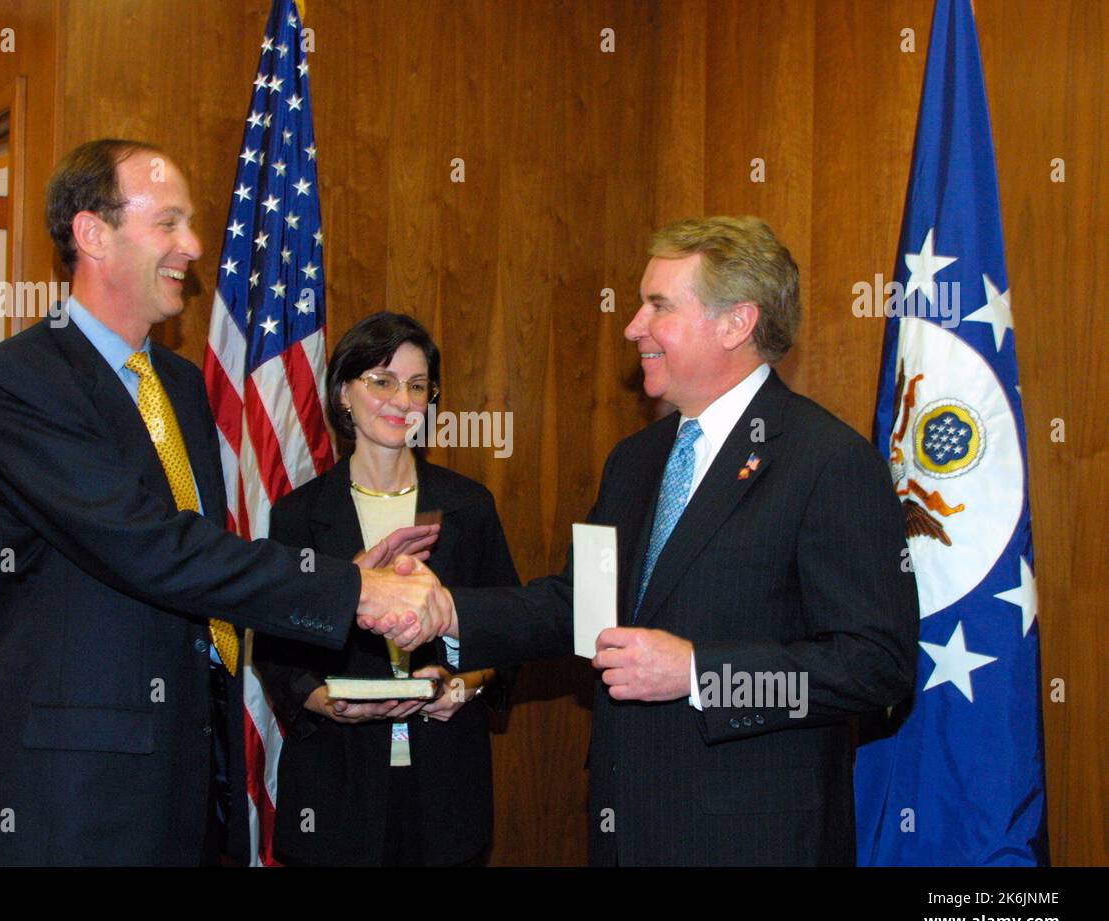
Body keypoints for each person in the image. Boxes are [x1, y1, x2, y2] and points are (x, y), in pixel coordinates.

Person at [0, 140, 448, 866]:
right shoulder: (18, 382)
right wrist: (348, 590)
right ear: (92, 233)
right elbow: (149, 547)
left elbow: (201, 558)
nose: (193, 246)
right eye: (169, 223)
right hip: (85, 786)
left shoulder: (182, 388)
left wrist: (340, 575)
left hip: (198, 767)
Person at [379, 216, 920, 865]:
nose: (633, 325)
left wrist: (698, 674)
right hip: (626, 824)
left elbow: (874, 670)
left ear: (736, 322)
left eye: (658, 305)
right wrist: (448, 611)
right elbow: (582, 608)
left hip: (754, 841)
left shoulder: (827, 462)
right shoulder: (635, 462)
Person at [253, 312, 519, 866]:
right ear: (344, 394)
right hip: (337, 784)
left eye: (418, 385)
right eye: (382, 380)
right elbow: (277, 652)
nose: (402, 399)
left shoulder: (469, 506)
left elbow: (507, 632)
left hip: (444, 788)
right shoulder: (300, 515)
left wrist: (463, 686)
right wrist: (324, 702)